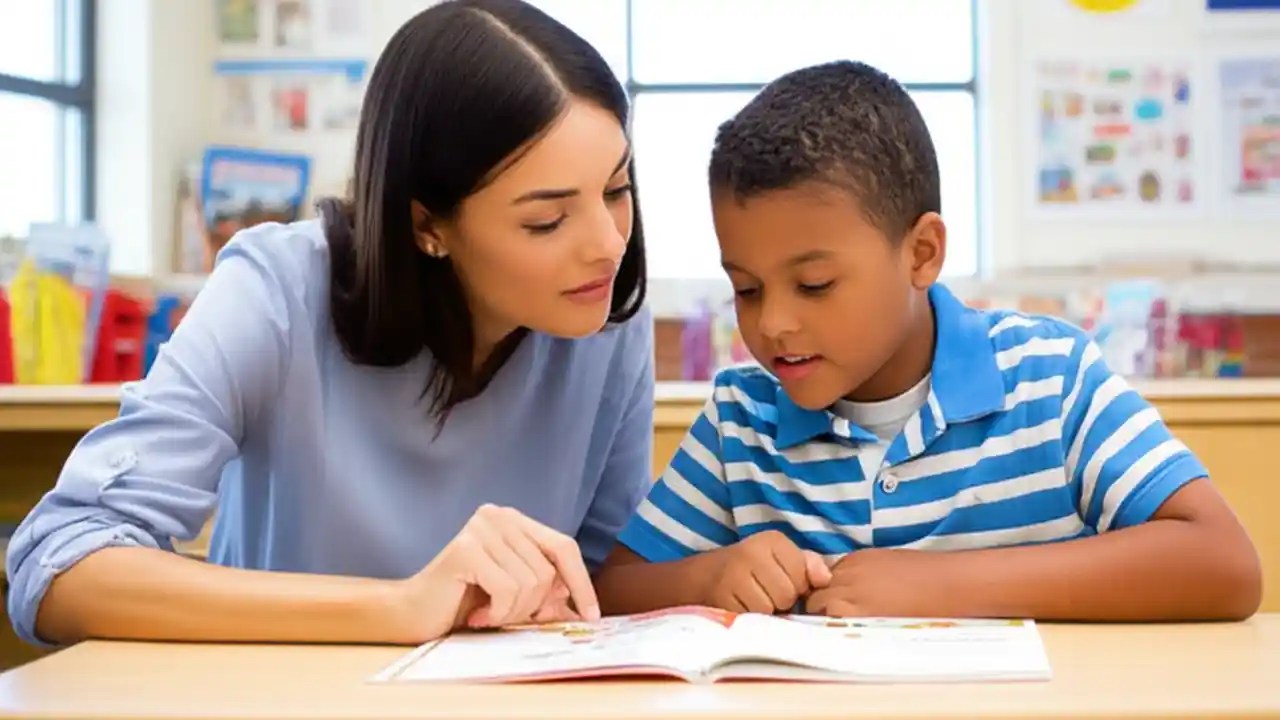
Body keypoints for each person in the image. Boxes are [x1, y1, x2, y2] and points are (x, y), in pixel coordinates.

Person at [7, 0, 654, 647]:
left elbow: (603, 582)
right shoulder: (276, 289)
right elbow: (58, 564)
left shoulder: (606, 319)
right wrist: (400, 609)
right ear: (427, 226)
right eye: (547, 220)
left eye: (617, 190)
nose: (608, 244)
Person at [594, 61, 1262, 622]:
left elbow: (1223, 564)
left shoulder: (1050, 378)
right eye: (746, 289)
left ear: (921, 253)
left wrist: (940, 586)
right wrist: (706, 579)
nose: (773, 325)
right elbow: (610, 590)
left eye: (816, 284)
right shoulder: (743, 422)